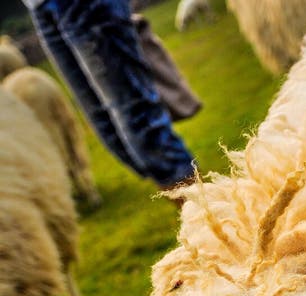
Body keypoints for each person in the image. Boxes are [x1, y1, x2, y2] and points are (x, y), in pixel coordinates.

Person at [21, 0, 197, 190]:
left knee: (144, 128)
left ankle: (204, 215)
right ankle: (193, 208)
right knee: (113, 134)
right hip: (39, 8)